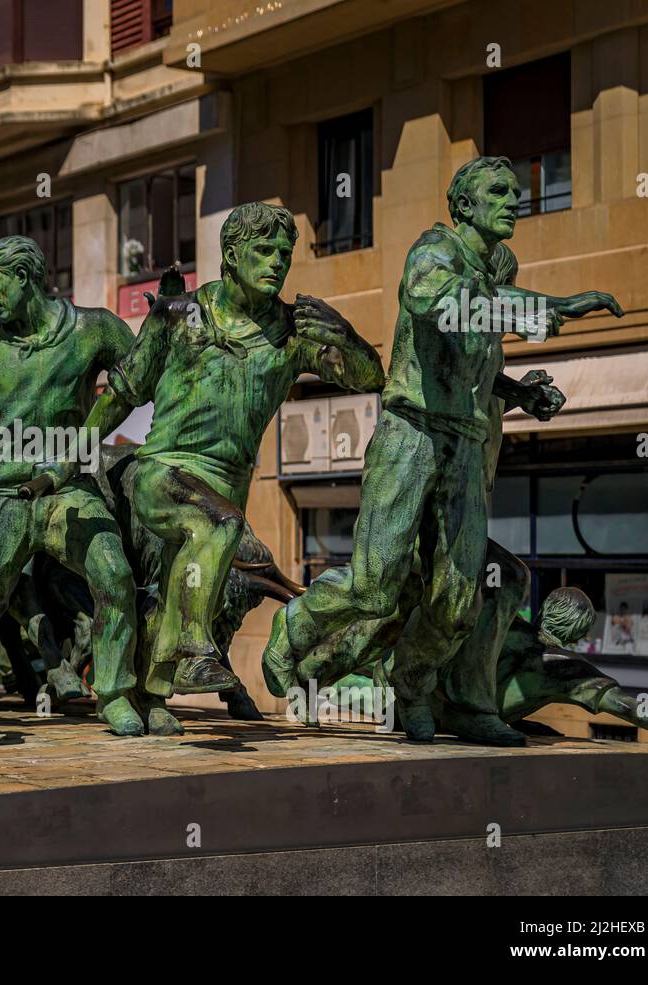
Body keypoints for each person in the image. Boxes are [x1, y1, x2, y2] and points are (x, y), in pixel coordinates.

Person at [263, 156, 622, 742]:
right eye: (498, 191)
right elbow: (438, 304)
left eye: (516, 191)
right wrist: (549, 307)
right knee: (377, 581)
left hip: (464, 444)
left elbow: (468, 368)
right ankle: (293, 626)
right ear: (464, 207)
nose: (514, 200)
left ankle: (414, 688)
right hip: (412, 433)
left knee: (460, 596)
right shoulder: (435, 253)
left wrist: (516, 395)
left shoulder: (492, 279)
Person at [39, 202, 383, 709]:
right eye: (263, 252)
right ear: (230, 254)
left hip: (227, 487)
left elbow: (370, 378)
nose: (276, 264)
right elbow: (124, 393)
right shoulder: (180, 315)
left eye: (284, 255)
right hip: (161, 472)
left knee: (181, 590)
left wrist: (346, 336)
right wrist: (74, 452)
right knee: (219, 524)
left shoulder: (292, 335)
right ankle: (196, 648)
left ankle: (152, 700)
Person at [0, 235, 147, 735]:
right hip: (4, 497)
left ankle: (116, 694)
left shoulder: (94, 329)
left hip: (69, 493)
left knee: (114, 575)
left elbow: (145, 379)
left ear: (26, 277)